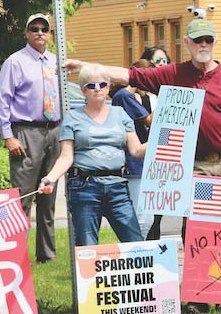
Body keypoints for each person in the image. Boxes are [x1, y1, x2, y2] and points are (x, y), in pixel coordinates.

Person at [67, 19, 221, 312]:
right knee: (197, 230)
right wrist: (87, 67)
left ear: (214, 42)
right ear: (188, 43)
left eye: (208, 40)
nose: (203, 45)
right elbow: (130, 74)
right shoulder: (175, 73)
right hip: (195, 165)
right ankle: (198, 295)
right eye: (198, 41)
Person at [37, 64, 146, 246]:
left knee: (135, 242)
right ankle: (89, 276)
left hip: (117, 185)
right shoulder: (72, 117)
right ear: (83, 90)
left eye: (102, 84)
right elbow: (66, 157)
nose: (97, 89)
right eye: (91, 86)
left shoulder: (120, 114)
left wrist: (160, 142)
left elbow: (136, 150)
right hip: (84, 187)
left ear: (109, 86)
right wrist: (50, 178)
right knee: (87, 247)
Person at [0, 13, 60, 263]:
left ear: (51, 34)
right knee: (22, 197)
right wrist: (8, 136)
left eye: (45, 28)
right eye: (34, 28)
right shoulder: (16, 62)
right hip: (26, 131)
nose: (40, 32)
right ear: (26, 32)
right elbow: (2, 100)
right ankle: (15, 255)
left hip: (54, 130)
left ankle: (47, 255)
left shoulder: (56, 61)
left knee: (48, 196)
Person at [110, 60, 155, 239]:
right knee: (142, 214)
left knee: (146, 214)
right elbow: (150, 120)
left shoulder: (127, 96)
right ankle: (137, 250)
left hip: (140, 158)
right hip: (134, 160)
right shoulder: (124, 96)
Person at [138, 47, 170, 112]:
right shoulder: (138, 91)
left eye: (165, 61)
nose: (162, 64)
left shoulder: (170, 88)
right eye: (158, 60)